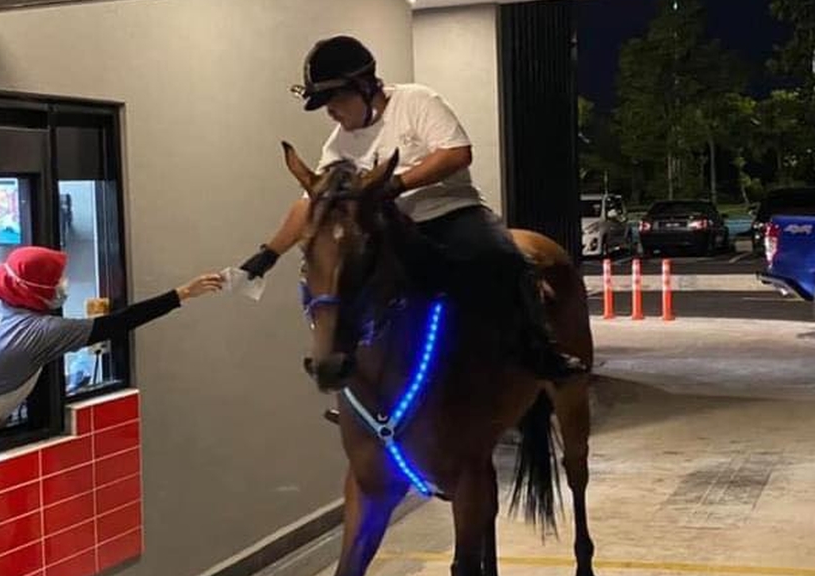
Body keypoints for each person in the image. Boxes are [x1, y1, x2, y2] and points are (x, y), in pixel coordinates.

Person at [238, 35, 575, 379]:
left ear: (365, 87)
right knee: (347, 280)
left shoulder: (416, 101)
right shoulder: (338, 144)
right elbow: (312, 202)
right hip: (389, 228)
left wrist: (396, 184)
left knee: (500, 257)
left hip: (449, 213)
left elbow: (456, 153)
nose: (330, 111)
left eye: (335, 100)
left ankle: (540, 348)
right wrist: (269, 254)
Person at [0, 246, 224, 442]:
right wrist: (182, 293)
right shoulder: (44, 331)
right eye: (58, 279)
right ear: (37, 289)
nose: (64, 283)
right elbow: (118, 323)